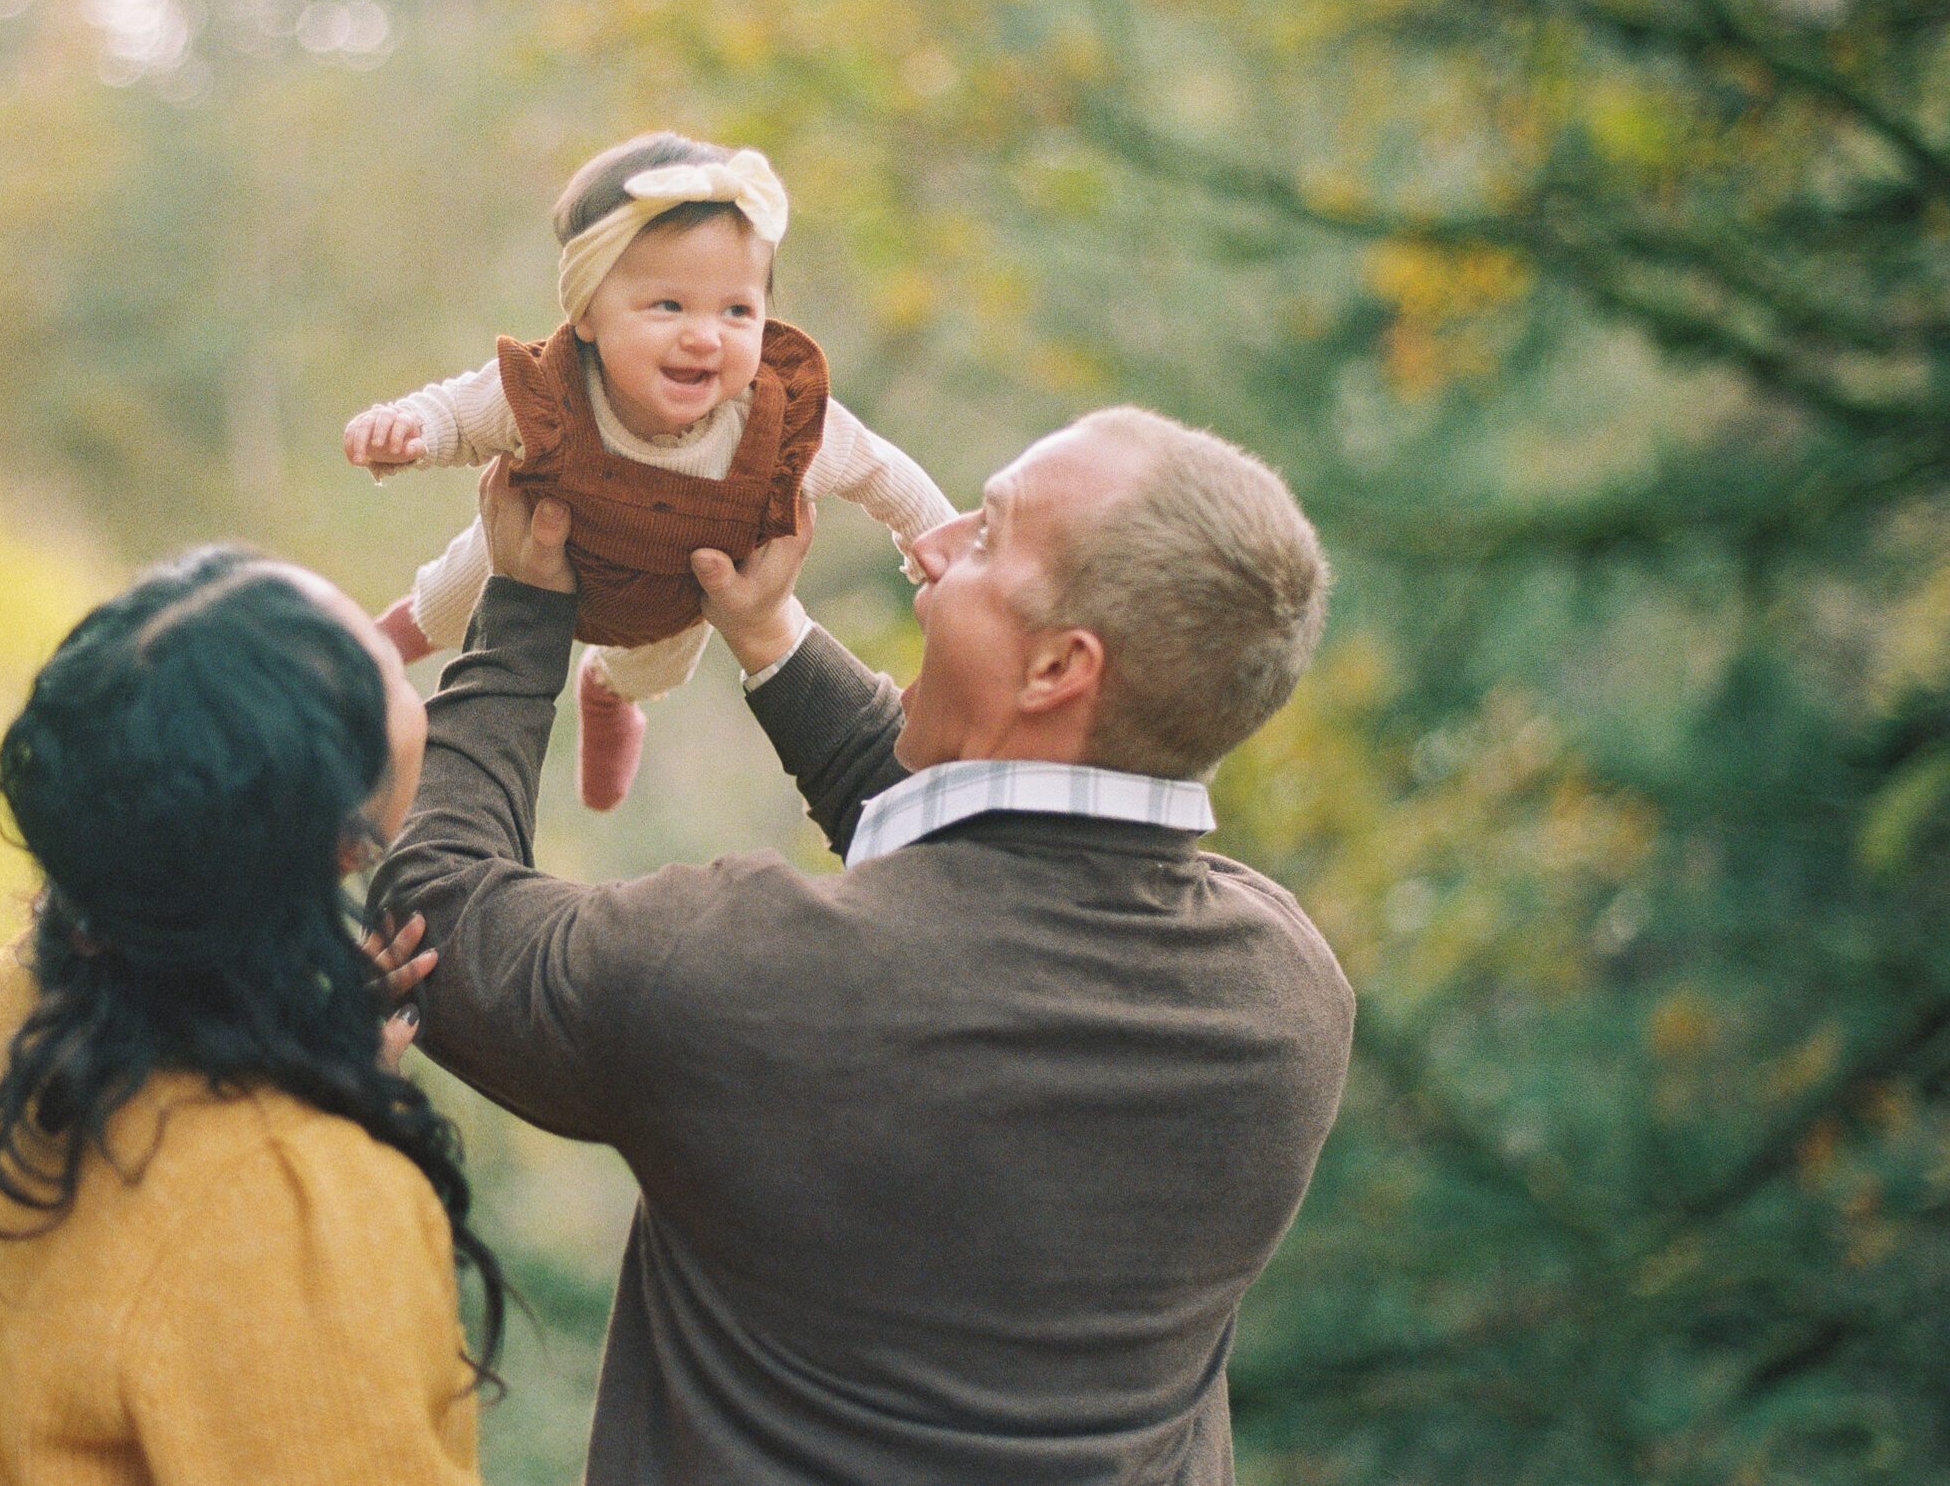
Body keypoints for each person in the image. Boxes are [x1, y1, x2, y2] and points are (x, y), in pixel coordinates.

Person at [373, 406, 1355, 1485]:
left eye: (984, 540)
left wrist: (521, 602)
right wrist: (767, 633)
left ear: (1057, 669)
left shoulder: (750, 976)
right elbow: (993, 855)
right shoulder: (1289, 998)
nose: (928, 549)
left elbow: (440, 916)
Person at [0, 547, 497, 1485]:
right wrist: (316, 1132)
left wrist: (299, 1030)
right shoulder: (291, 1202)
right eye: (384, 669)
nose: (394, 648)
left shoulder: (27, 992)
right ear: (343, 845)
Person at [342, 130, 953, 811]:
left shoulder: (773, 420)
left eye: (737, 309)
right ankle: (373, 648)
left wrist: (940, 543)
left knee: (651, 662)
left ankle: (608, 697)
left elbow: (882, 473)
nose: (705, 334)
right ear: (588, 314)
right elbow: (456, 414)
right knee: (455, 594)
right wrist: (406, 433)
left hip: (673, 599)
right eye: (668, 305)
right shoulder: (551, 389)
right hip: (530, 557)